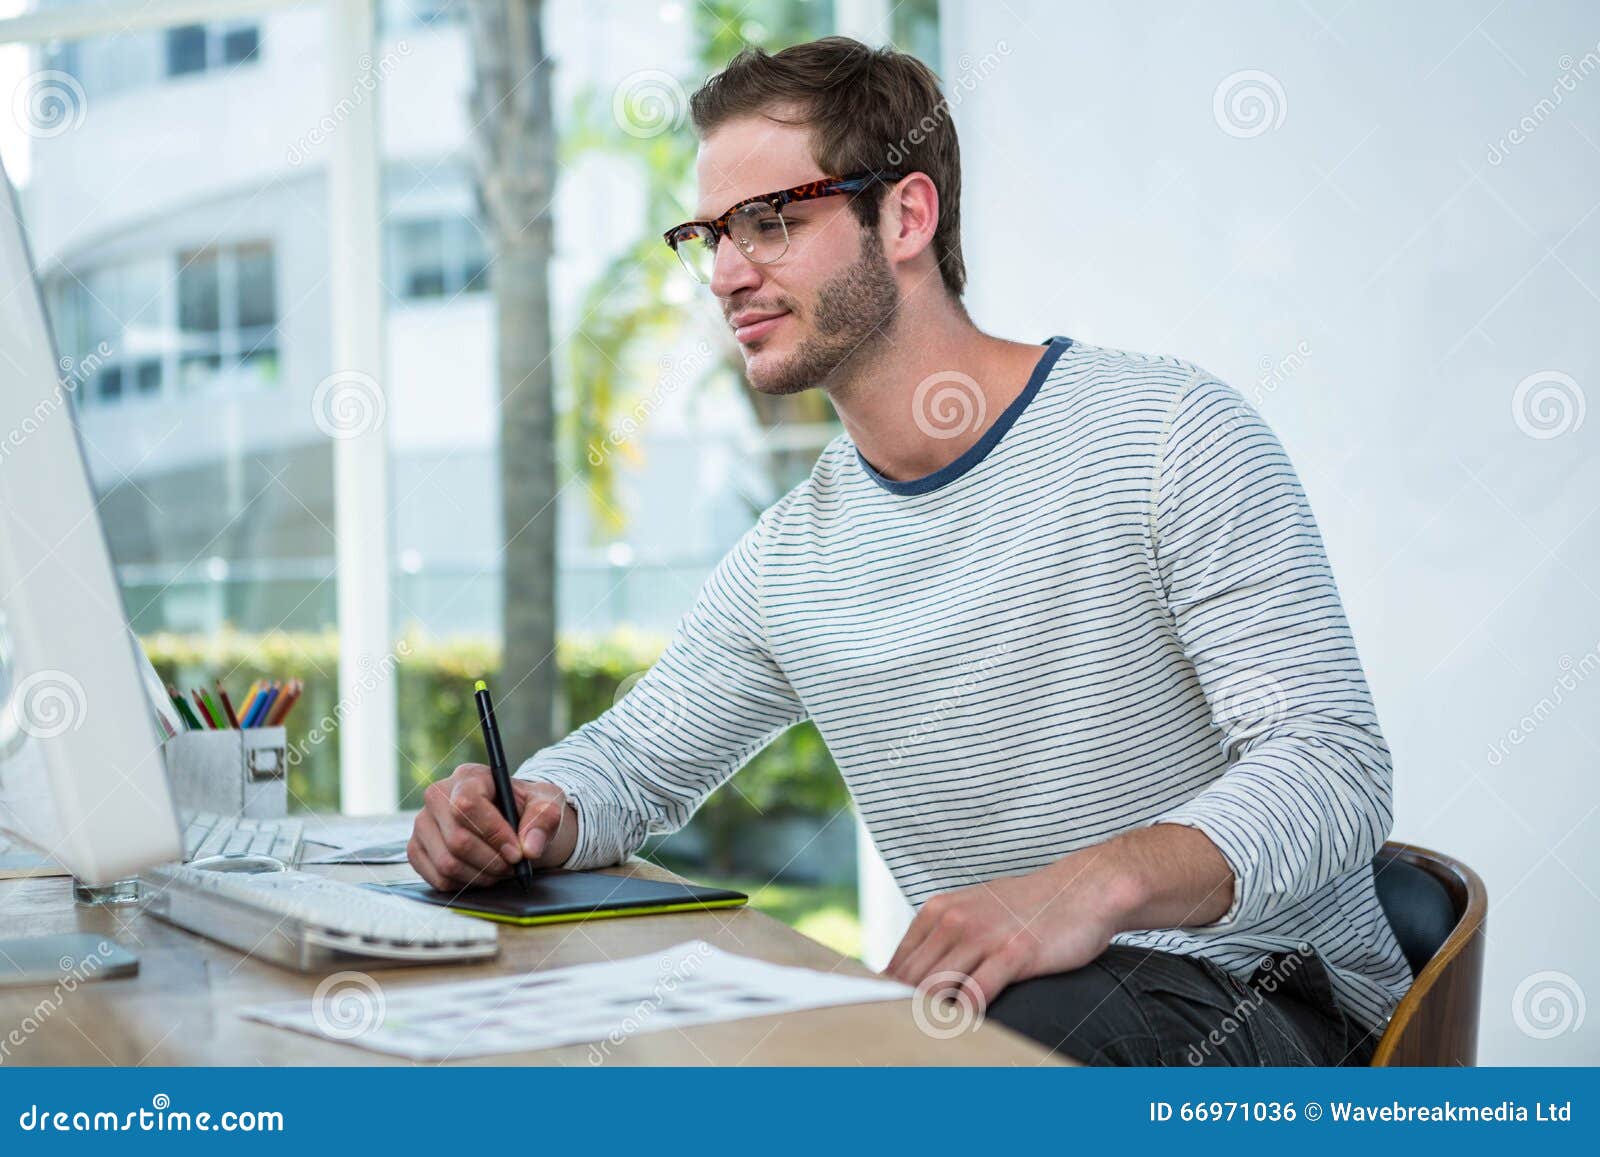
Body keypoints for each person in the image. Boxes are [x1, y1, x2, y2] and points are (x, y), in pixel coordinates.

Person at [408, 36, 1409, 1066]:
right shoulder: (792, 559)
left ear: (906, 215)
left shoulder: (1166, 435)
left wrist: (1080, 889)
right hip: (1013, 1014)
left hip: (1269, 1003)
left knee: (951, 1057)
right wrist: (529, 808)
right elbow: (629, 760)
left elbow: (1331, 765)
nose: (726, 273)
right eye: (708, 233)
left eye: (770, 221)